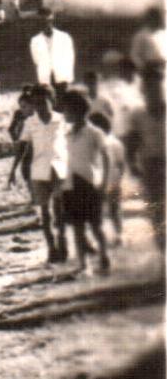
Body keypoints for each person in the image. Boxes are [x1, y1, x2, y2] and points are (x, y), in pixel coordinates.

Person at [10, 87, 69, 265]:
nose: (40, 107)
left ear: (51, 100)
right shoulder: (30, 122)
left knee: (59, 211)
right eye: (36, 103)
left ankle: (62, 242)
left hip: (59, 169)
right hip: (39, 171)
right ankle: (51, 248)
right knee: (45, 212)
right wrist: (13, 170)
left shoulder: (61, 120)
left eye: (43, 102)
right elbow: (22, 146)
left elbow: (71, 143)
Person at [60, 90, 112, 275]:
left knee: (96, 225)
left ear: (77, 110)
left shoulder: (94, 133)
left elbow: (106, 157)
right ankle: (84, 264)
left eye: (66, 110)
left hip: (89, 183)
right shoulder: (65, 134)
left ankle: (104, 256)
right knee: (77, 227)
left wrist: (105, 184)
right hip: (70, 184)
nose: (64, 113)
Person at [125, 66, 166, 249]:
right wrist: (132, 163)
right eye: (148, 86)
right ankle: (162, 244)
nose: (153, 89)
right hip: (150, 164)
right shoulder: (137, 114)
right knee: (156, 206)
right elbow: (131, 142)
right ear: (143, 88)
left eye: (156, 85)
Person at [88, 112, 126, 248]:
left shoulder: (113, 143)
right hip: (102, 180)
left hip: (108, 180)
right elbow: (121, 165)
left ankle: (118, 234)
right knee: (108, 210)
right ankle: (113, 235)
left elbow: (121, 163)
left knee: (110, 209)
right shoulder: (112, 143)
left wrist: (118, 179)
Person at [29, 7, 75, 92]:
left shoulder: (64, 37)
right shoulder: (35, 41)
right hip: (46, 80)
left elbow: (70, 58)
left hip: (62, 78)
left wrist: (67, 79)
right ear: (39, 22)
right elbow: (36, 60)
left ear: (52, 20)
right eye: (43, 22)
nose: (47, 24)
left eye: (49, 21)